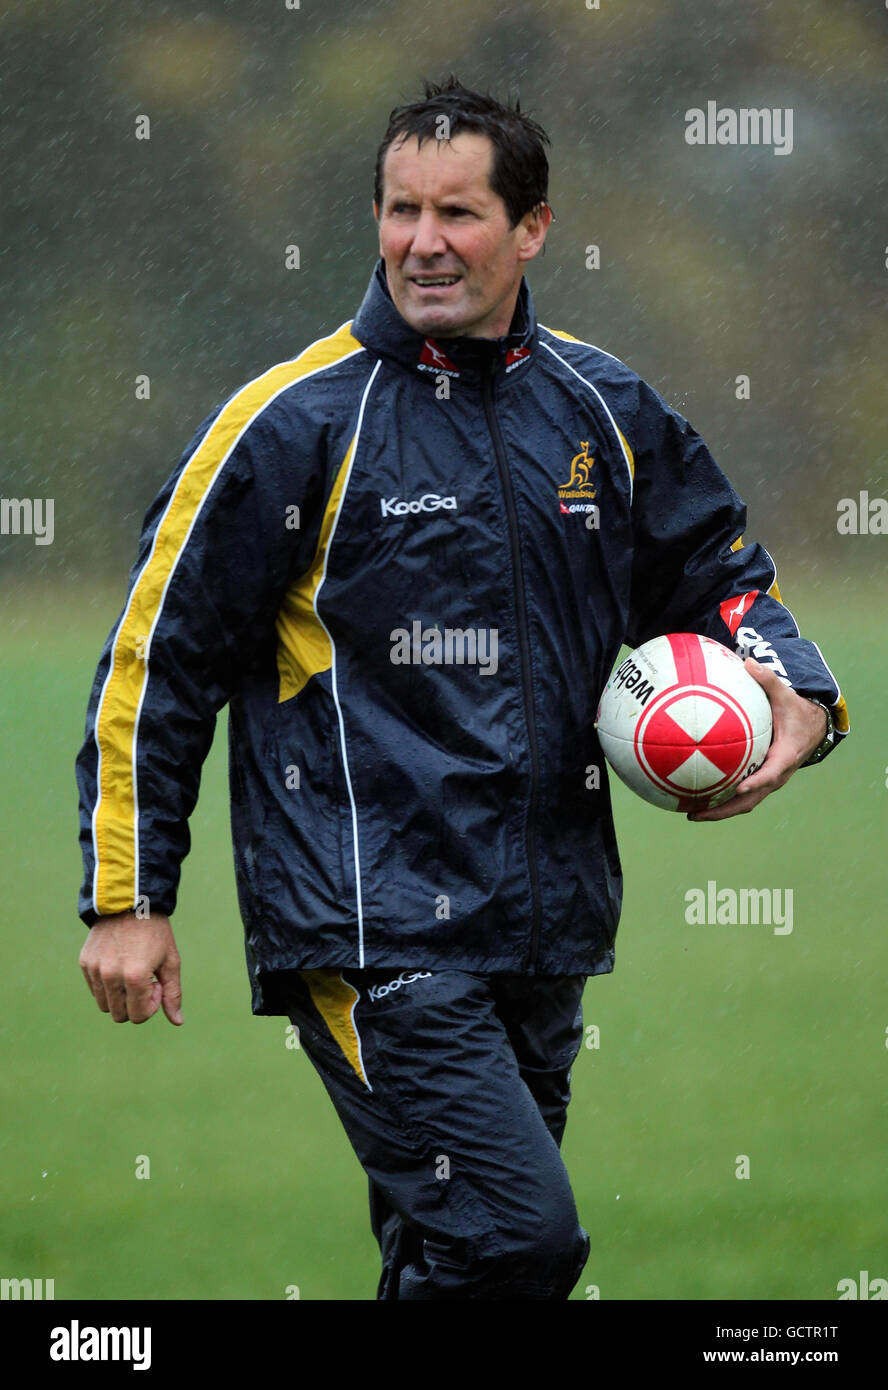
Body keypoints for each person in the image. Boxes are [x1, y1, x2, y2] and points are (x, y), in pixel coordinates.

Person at [76, 77, 848, 1300]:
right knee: (517, 1244)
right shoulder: (287, 425)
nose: (422, 242)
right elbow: (154, 664)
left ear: (533, 228)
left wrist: (801, 693)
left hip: (548, 922)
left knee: (447, 1259)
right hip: (371, 928)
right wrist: (126, 896)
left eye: (459, 212)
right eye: (399, 210)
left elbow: (720, 574)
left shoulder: (605, 407)